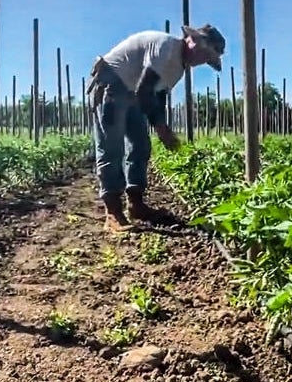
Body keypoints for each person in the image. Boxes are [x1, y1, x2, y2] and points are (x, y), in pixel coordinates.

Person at [87, 24, 226, 232]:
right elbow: (145, 90)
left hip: (132, 92)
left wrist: (161, 124)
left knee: (141, 145)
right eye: (203, 52)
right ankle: (113, 213)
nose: (201, 60)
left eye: (206, 59)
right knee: (111, 148)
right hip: (111, 85)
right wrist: (161, 127)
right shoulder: (167, 47)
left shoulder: (178, 68)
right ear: (191, 41)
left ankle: (136, 204)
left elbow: (157, 96)